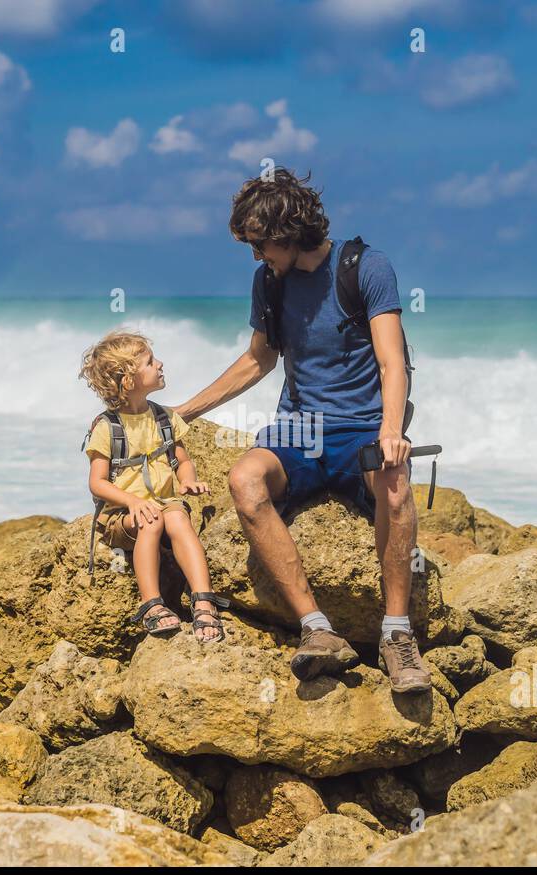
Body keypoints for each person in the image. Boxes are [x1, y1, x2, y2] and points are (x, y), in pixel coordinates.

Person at [173, 169, 432, 692]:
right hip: (300, 430)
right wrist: (183, 412)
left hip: (362, 428)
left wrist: (389, 432)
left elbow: (392, 363)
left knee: (397, 486)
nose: (256, 256)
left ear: (289, 231)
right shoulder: (270, 281)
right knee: (245, 481)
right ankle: (317, 630)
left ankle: (397, 635)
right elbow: (257, 360)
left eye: (260, 244)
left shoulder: (366, 267)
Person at [80, 331, 226, 642]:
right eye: (149, 362)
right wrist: (132, 501)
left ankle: (203, 598)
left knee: (176, 516)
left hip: (165, 503)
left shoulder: (164, 418)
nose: (160, 364)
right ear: (129, 381)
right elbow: (97, 483)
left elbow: (182, 460)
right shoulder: (107, 427)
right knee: (152, 518)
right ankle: (152, 605)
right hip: (123, 516)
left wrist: (188, 481)